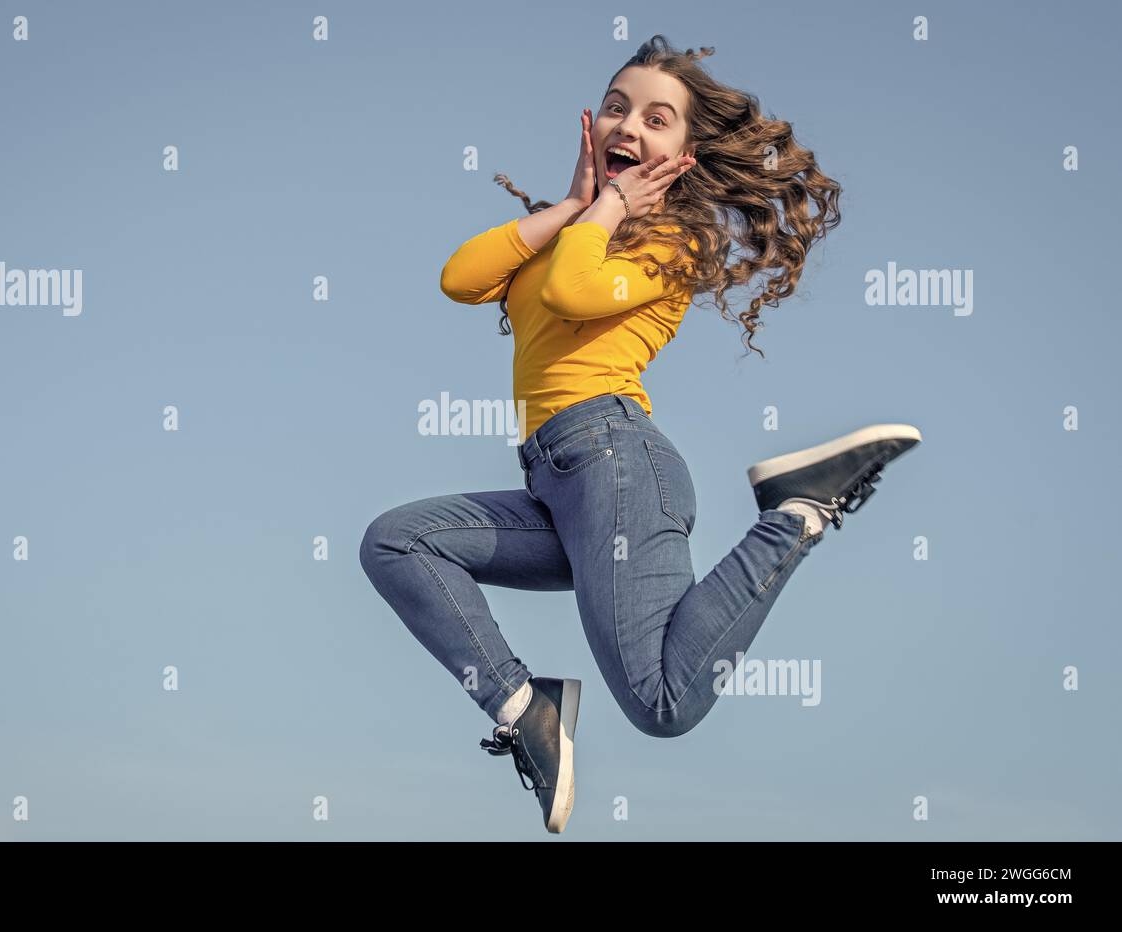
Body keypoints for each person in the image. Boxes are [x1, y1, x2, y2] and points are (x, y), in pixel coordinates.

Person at [359, 36, 920, 834]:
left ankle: (795, 513)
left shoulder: (676, 242)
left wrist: (611, 211)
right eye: (617, 107)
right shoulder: (576, 229)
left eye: (657, 118)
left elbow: (576, 291)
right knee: (398, 542)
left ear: (684, 157)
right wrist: (572, 204)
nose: (629, 123)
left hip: (615, 462)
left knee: (664, 702)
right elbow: (461, 278)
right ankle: (528, 708)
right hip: (556, 485)